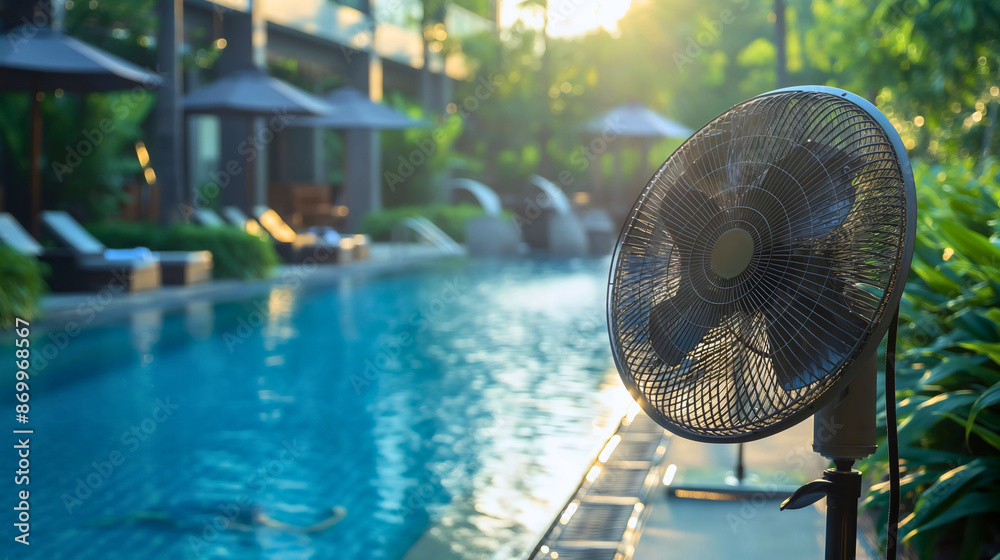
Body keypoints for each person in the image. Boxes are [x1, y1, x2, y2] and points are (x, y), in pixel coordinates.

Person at [91, 503, 348, 535]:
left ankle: (113, 520)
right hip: (193, 516)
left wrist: (336, 517)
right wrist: (338, 516)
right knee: (141, 515)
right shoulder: (256, 519)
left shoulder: (254, 519)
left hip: (190, 516)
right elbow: (305, 530)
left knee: (140, 515)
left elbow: (306, 530)